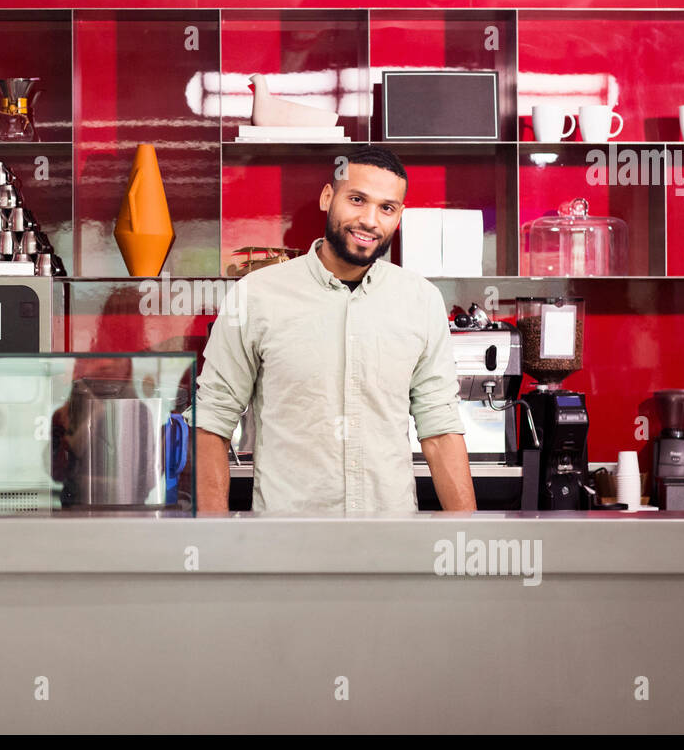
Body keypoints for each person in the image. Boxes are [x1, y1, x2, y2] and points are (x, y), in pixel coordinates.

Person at [193, 145, 476, 513]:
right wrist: (213, 539)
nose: (370, 220)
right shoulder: (256, 295)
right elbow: (210, 420)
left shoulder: (421, 300)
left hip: (390, 543)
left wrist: (472, 535)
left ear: (398, 216)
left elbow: (439, 427)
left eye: (386, 208)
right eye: (357, 199)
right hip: (289, 546)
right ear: (328, 197)